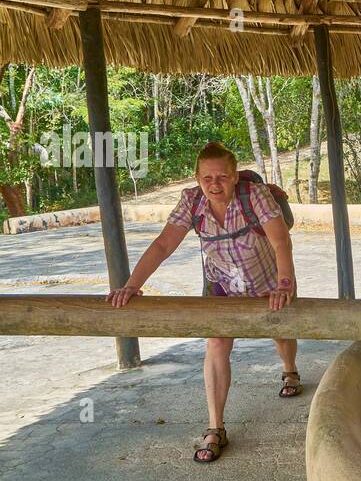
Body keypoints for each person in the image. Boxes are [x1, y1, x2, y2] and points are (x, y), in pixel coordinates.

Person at [107, 141, 300, 463]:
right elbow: (163, 245)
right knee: (217, 344)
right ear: (197, 178)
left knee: (280, 333)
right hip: (221, 282)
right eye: (207, 178)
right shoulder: (192, 202)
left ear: (235, 176)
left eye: (222, 177)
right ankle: (215, 427)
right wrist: (131, 286)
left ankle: (290, 371)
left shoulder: (255, 196)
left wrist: (284, 285)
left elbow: (281, 241)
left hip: (265, 281)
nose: (215, 184)